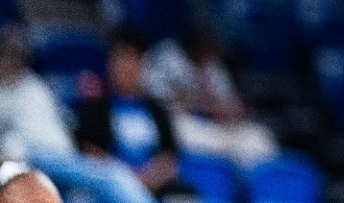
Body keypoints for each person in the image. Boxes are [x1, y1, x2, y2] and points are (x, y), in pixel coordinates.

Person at [0, 26, 152, 203]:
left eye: (16, 53)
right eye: (6, 54)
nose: (11, 59)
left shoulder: (34, 83)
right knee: (115, 176)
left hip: (65, 155)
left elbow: (63, 121)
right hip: (31, 155)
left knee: (92, 192)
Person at [75, 32, 193, 202]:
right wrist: (125, 181)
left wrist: (149, 180)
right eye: (120, 59)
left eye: (132, 59)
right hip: (111, 190)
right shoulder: (96, 109)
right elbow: (91, 154)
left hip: (156, 189)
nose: (126, 67)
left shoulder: (157, 110)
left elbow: (169, 158)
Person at [143, 29, 277, 170]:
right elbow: (158, 101)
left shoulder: (213, 65)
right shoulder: (168, 57)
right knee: (180, 131)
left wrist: (230, 111)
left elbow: (230, 104)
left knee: (260, 137)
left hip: (217, 127)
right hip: (188, 124)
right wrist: (193, 100)